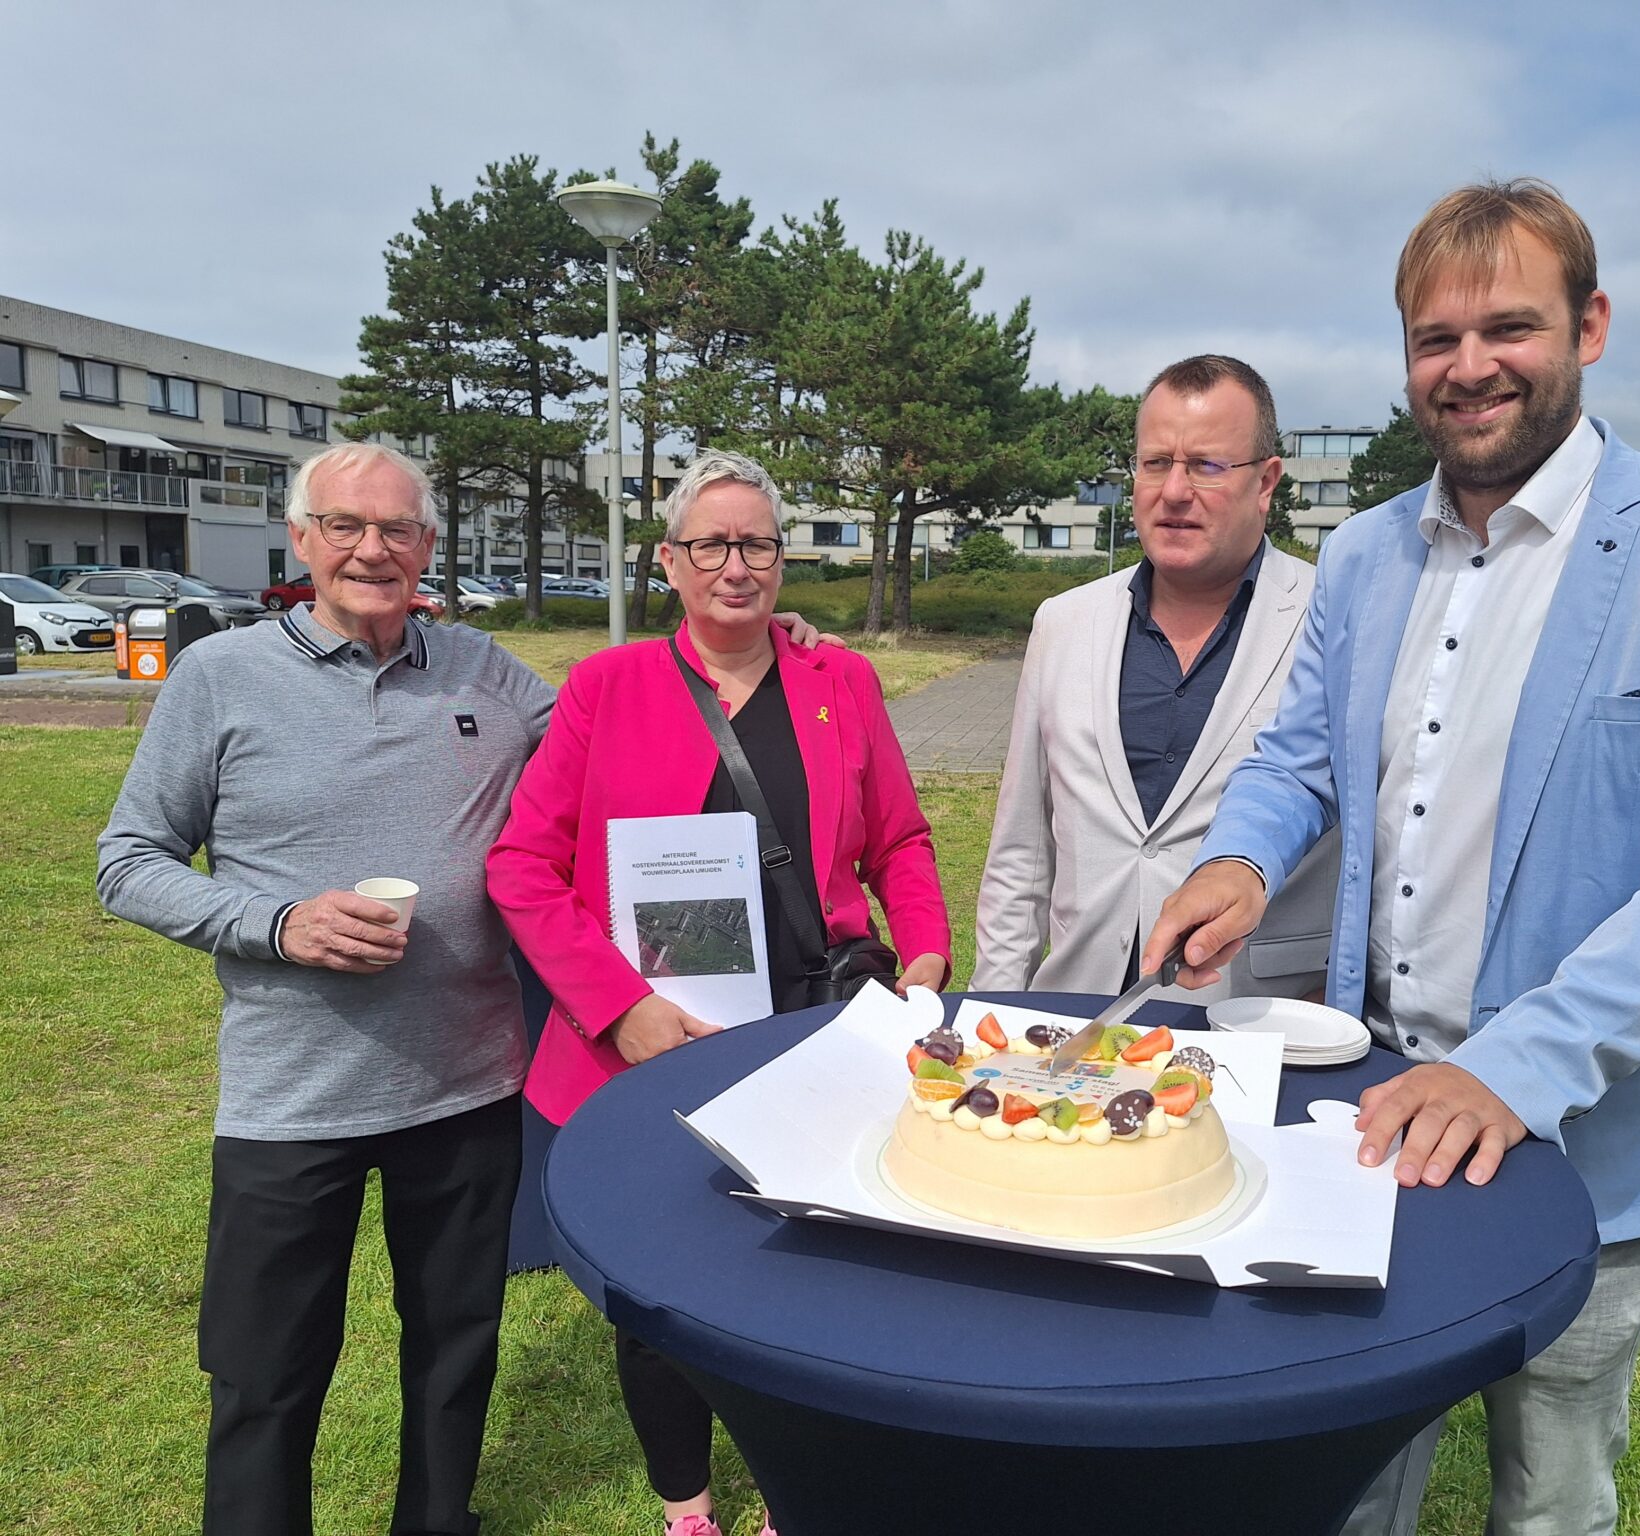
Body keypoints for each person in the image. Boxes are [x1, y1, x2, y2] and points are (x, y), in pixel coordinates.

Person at [1144, 180, 1640, 1535]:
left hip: (1591, 1139)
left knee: (1551, 1483)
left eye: (1509, 327)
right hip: (1371, 1113)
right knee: (1349, 1462)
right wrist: (1243, 860)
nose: (1470, 368)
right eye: (1435, 339)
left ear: (1591, 326)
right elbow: (1299, 759)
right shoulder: (1364, 552)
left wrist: (1511, 1069)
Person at [487, 448, 950, 1536]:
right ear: (669, 562)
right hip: (651, 1043)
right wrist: (616, 1005)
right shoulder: (606, 688)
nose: (735, 566)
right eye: (711, 544)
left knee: (812, 1275)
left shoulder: (840, 681)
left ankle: (795, 1493)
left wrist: (923, 956)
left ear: (779, 562)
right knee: (658, 1295)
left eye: (755, 544)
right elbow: (520, 865)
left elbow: (902, 840)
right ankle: (686, 1506)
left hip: (814, 1033)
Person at [96, 441, 556, 1536]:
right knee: (263, 1373)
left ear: (429, 547)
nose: (372, 549)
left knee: (454, 1349)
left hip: (468, 1082)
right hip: (291, 1095)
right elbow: (128, 861)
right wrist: (276, 923)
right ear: (300, 541)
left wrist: (761, 646)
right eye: (344, 526)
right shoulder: (221, 677)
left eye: (397, 529)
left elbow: (618, 730)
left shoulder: (487, 675)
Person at [973, 354, 1339, 998]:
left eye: (1206, 465)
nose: (1173, 491)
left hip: (1254, 1022)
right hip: (1079, 1011)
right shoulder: (1063, 623)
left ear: (1266, 481)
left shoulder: (1332, 616)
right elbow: (1021, 854)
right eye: (1154, 463)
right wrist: (992, 1004)